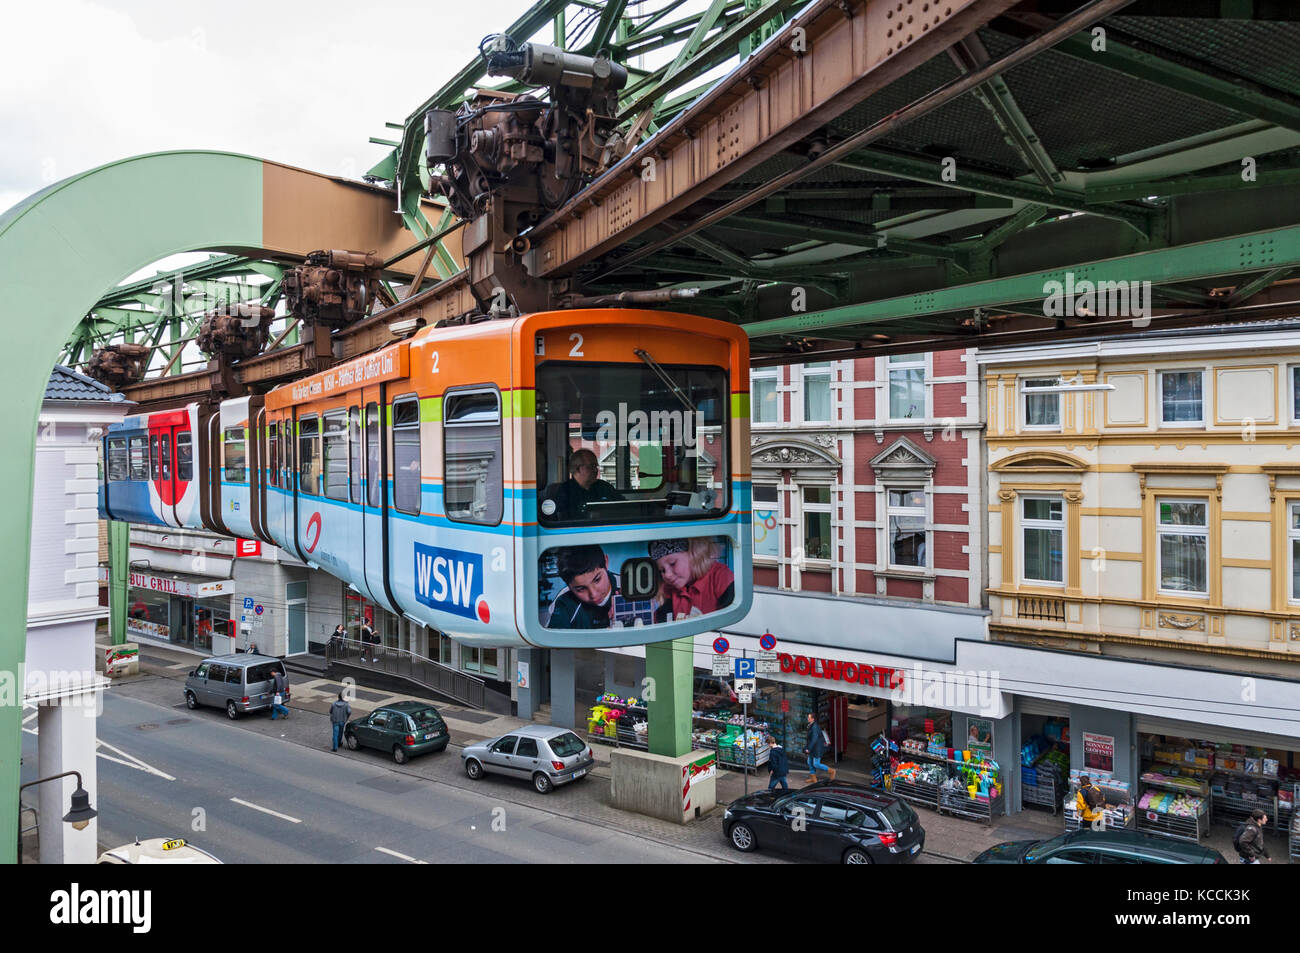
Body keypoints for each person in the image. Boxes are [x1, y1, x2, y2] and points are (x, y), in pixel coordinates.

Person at [650, 538, 735, 622]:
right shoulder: (669, 589)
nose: (667, 575)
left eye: (672, 564)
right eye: (662, 570)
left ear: (694, 554)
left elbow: (735, 620)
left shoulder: (720, 576)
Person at [545, 545, 619, 629]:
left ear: (606, 562)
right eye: (581, 589)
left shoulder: (630, 586)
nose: (593, 595)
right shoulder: (563, 602)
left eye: (597, 580)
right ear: (568, 586)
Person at [540, 448, 622, 521]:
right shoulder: (564, 491)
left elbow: (623, 507)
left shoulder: (604, 487)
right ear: (578, 468)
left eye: (596, 466)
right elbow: (562, 520)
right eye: (592, 466)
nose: (596, 470)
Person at [803, 712, 835, 784]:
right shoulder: (811, 725)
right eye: (808, 717)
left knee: (816, 764)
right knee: (809, 762)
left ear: (813, 719)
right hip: (813, 748)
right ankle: (813, 779)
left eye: (809, 717)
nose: (807, 718)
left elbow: (814, 739)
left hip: (817, 749)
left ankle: (831, 771)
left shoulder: (814, 727)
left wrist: (809, 749)